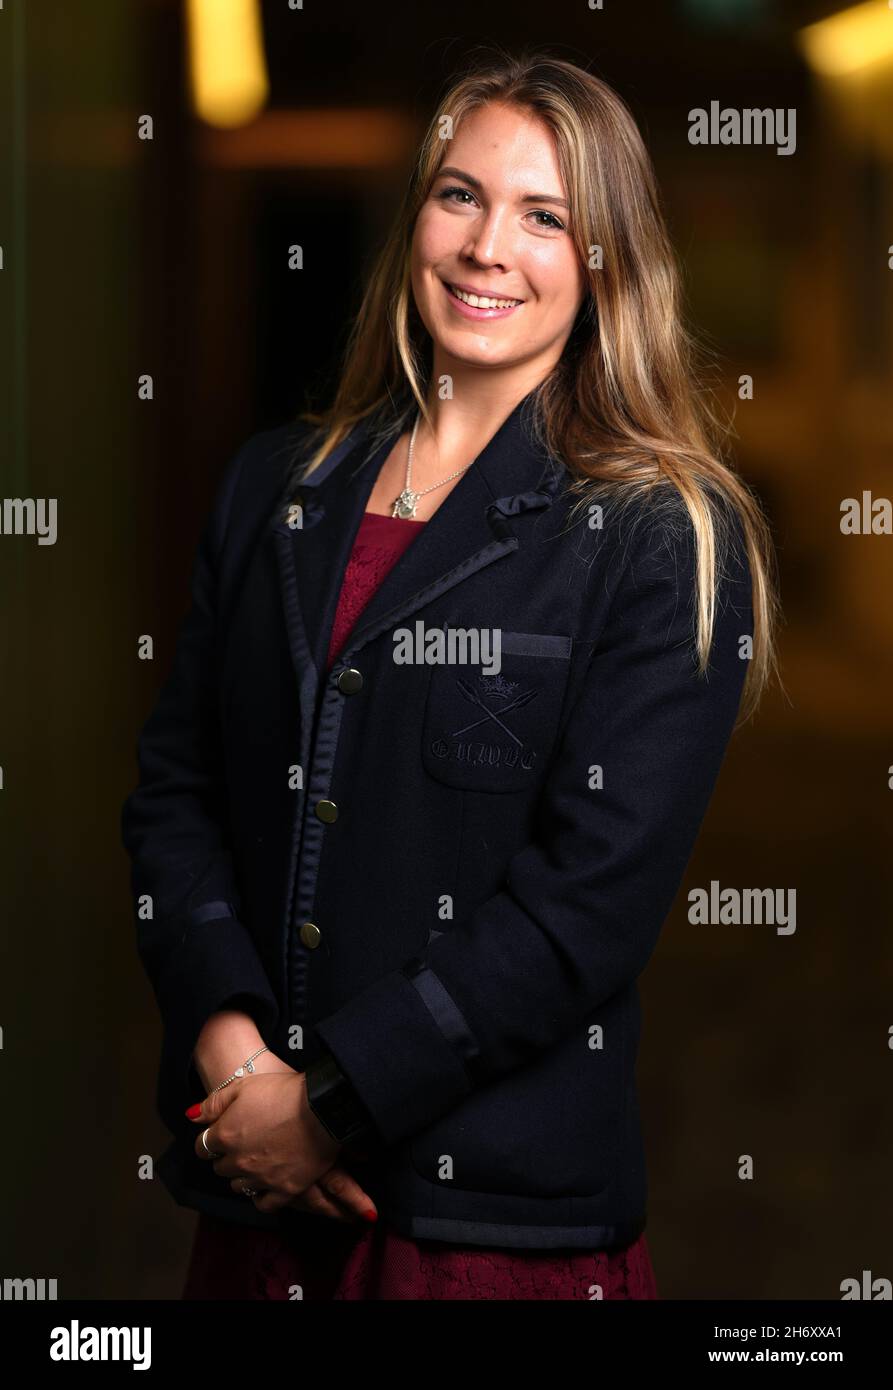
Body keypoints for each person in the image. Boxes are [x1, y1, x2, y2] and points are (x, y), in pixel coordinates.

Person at [121, 47, 779, 1301]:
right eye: (460, 195)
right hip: (254, 1202)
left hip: (487, 1241)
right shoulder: (274, 485)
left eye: (546, 218)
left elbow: (580, 913)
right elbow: (175, 789)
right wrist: (228, 1044)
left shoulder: (658, 536)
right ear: (414, 213)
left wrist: (331, 1105)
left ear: (606, 263)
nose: (489, 247)